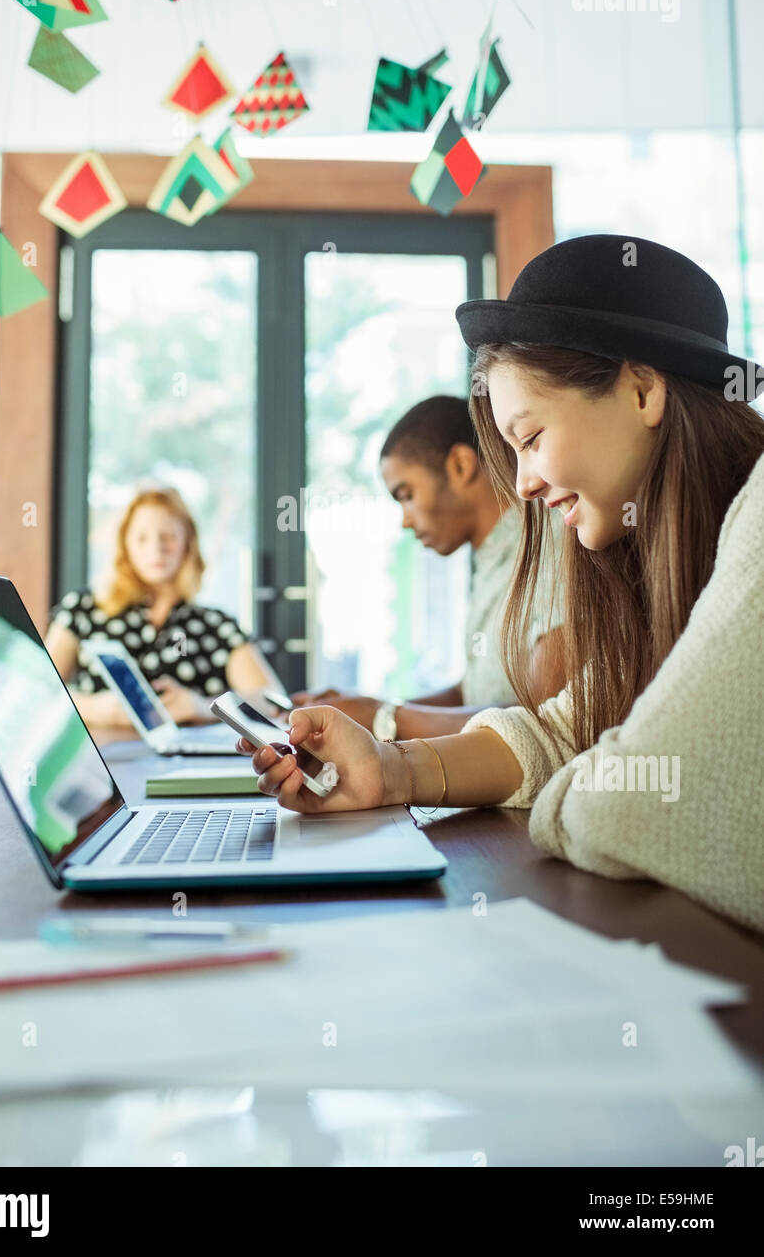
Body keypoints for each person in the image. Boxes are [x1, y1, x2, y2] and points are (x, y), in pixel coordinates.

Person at [240, 234, 764, 934]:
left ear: (643, 390)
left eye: (532, 437)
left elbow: (620, 811)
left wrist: (573, 781)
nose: (523, 484)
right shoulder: (658, 559)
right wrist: (390, 769)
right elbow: (559, 732)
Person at [292, 395, 566, 738]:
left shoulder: (554, 546)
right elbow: (472, 695)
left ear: (461, 466)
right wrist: (365, 710)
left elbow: (540, 720)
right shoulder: (492, 558)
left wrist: (384, 718)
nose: (406, 521)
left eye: (406, 494)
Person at [46, 485, 281, 729]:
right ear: (125, 545)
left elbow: (271, 698)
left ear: (187, 544)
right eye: (142, 537)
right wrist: (93, 707)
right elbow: (38, 690)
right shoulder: (83, 610)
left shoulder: (216, 626)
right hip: (100, 759)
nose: (156, 547)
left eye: (168, 536)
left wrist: (202, 706)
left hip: (185, 763)